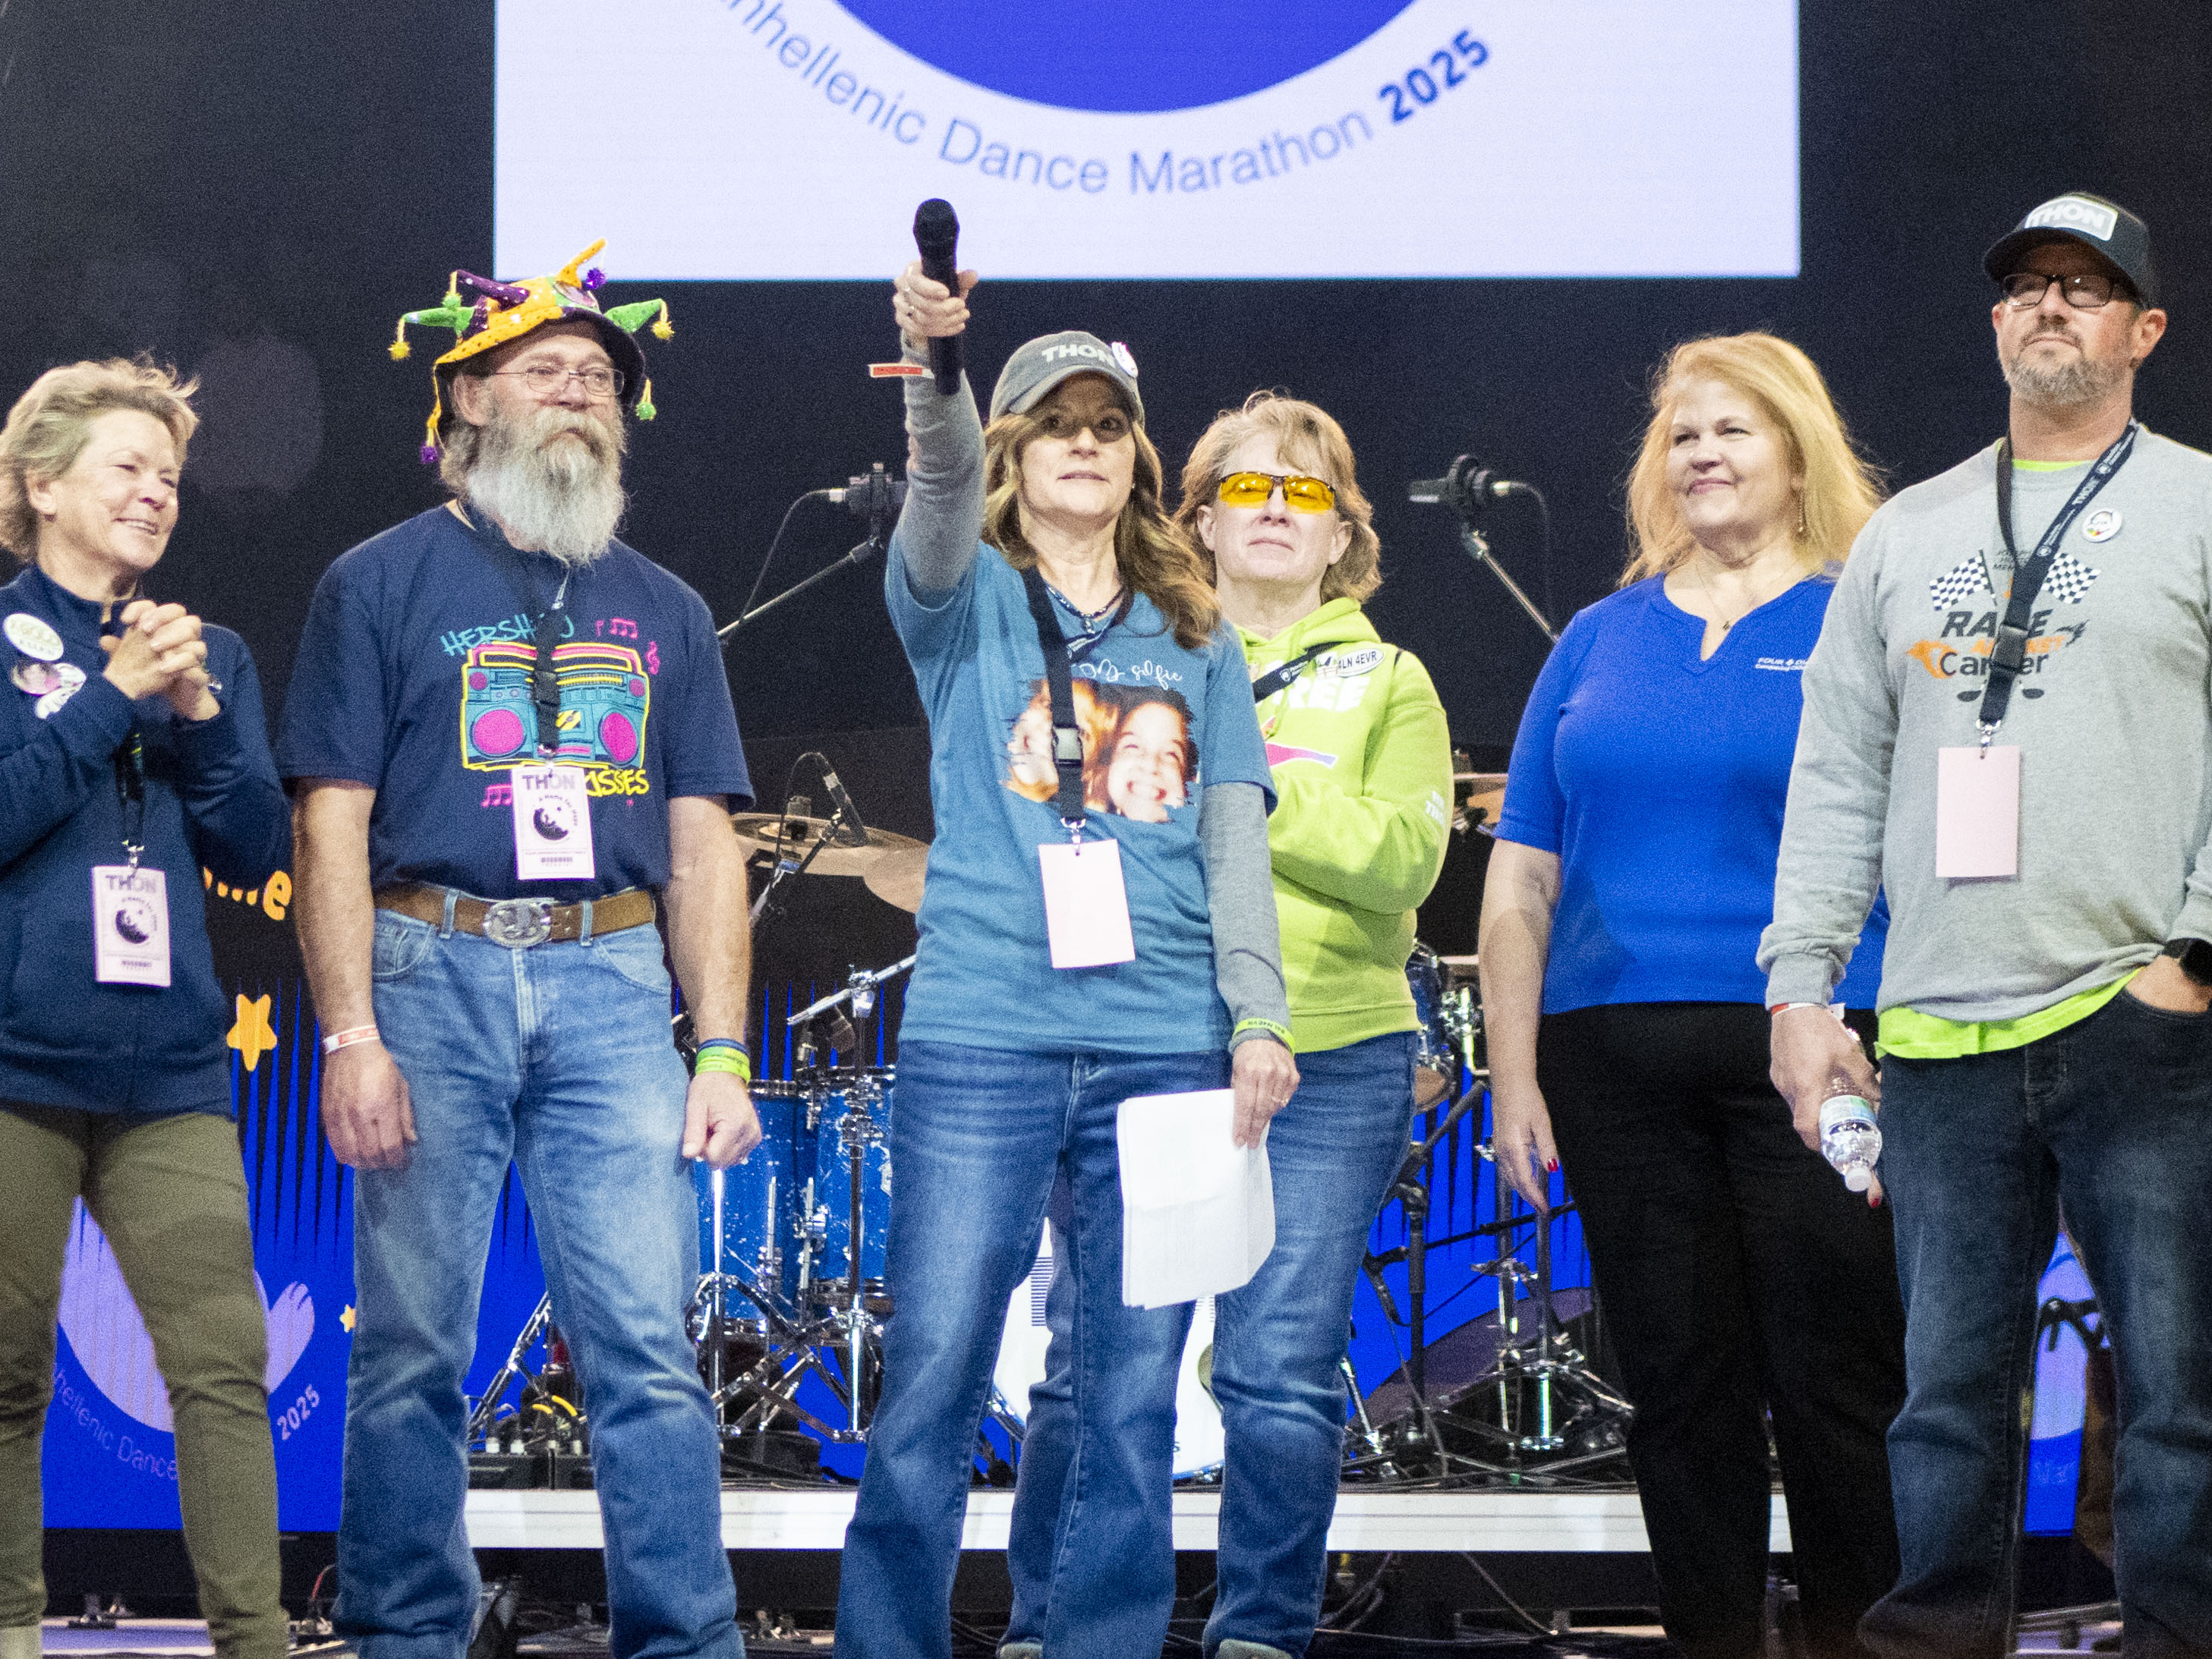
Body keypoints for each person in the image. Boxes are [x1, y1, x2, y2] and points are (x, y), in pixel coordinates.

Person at [1762, 194, 2212, 1658]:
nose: (2048, 308)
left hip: (2132, 1016)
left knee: (2172, 1387)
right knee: (1944, 1392)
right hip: (1940, 1024)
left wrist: (2196, 956)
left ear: (2142, 330)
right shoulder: (1908, 531)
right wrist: (1801, 990)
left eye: (2085, 289)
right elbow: (1835, 773)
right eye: (2023, 286)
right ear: (1994, 322)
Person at [276, 242, 761, 1659]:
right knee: (412, 1347)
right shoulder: (376, 583)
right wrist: (353, 1034)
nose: (577, 396)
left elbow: (704, 847)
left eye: (600, 381)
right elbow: (331, 825)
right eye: (544, 371)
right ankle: (407, 1634)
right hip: (432, 970)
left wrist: (720, 1044)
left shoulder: (664, 606)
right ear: (468, 400)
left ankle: (686, 1638)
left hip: (615, 983)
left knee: (648, 1355)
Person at [833, 265, 1297, 1659]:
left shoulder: (1197, 625)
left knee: (1130, 1387)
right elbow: (930, 481)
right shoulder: (955, 593)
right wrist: (939, 368)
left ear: (1137, 453)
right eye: (1053, 422)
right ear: (1014, 452)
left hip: (1164, 1041)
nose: (1083, 439)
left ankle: (1093, 1640)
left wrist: (1257, 1015)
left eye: (1107, 420)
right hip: (984, 1033)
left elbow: (1231, 842)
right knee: (931, 1377)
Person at [1000, 393, 1455, 1659]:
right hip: (1141, 1044)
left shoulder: (1389, 678)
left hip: (1332, 1055)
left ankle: (1258, 1630)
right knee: (1098, 1359)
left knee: (1275, 1371)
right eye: (1243, 490)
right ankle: (1056, 1623)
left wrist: (1241, 791)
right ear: (1191, 522)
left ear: (1340, 534)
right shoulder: (1136, 661)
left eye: (1301, 493)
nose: (1270, 509)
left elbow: (1404, 861)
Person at [1480, 334, 1906, 1659]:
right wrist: (1512, 1075)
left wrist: (1852, 1011)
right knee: (1677, 1388)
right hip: (1610, 1062)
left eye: (1733, 428)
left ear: (1794, 454)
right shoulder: (1601, 637)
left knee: (1836, 1384)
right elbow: (1519, 877)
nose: (1704, 454)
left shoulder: (1861, 615)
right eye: (1682, 435)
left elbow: (1914, 841)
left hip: (1815, 1045)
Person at [0, 357, 291, 1659]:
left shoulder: (206, 646)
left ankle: (256, 1640)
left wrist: (202, 712)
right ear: (40, 484)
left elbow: (250, 842)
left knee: (223, 1359)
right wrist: (109, 697)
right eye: (126, 465)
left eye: (168, 475)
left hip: (167, 1064)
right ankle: (5, 1638)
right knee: (3, 1371)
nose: (154, 490)